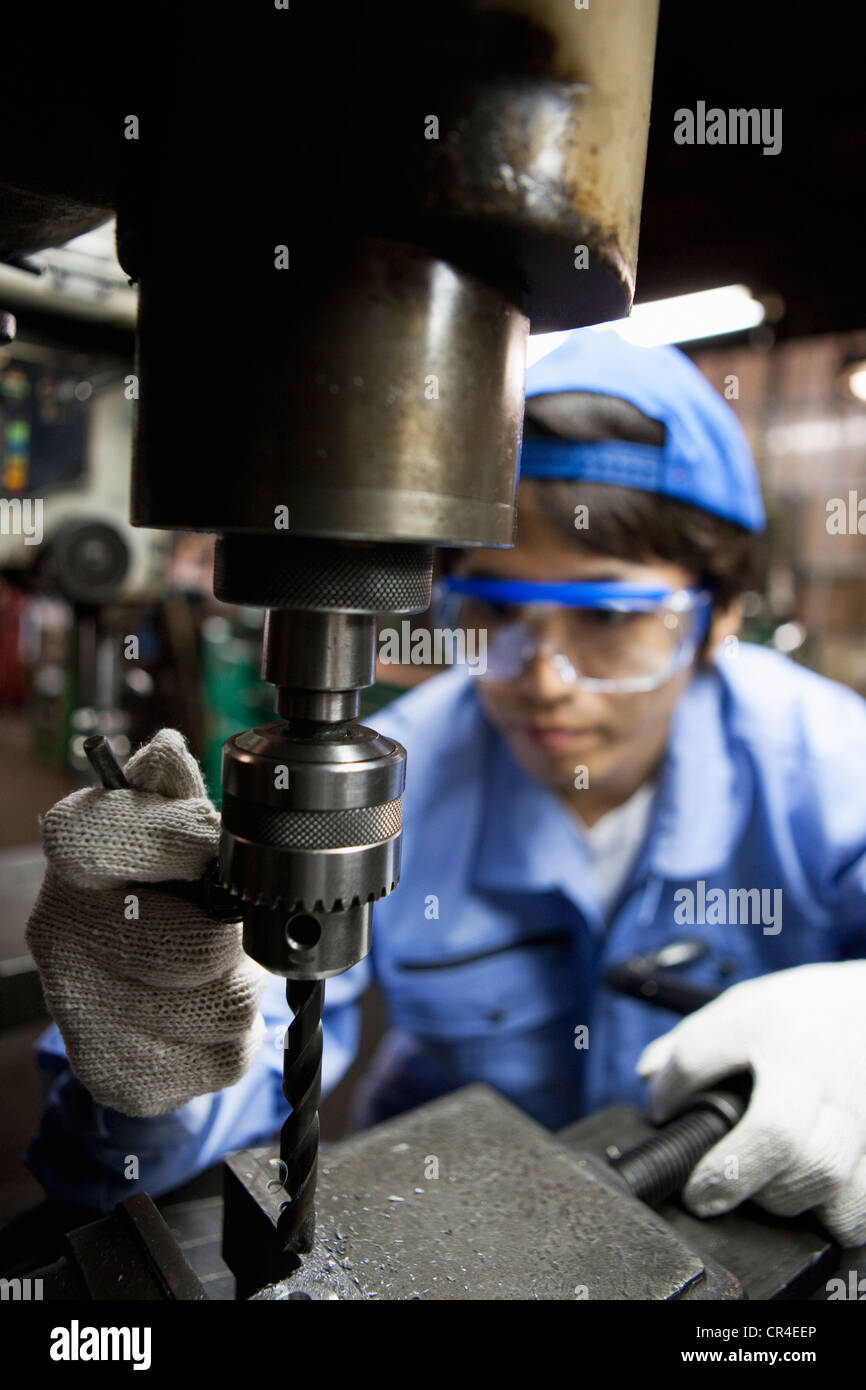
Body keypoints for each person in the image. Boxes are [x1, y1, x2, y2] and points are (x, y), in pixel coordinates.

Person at [24, 329, 866, 1246]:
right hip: (446, 1225)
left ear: (721, 619)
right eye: (499, 612)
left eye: (612, 619)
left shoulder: (829, 768)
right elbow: (260, 1050)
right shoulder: (404, 771)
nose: (544, 677)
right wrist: (163, 1073)